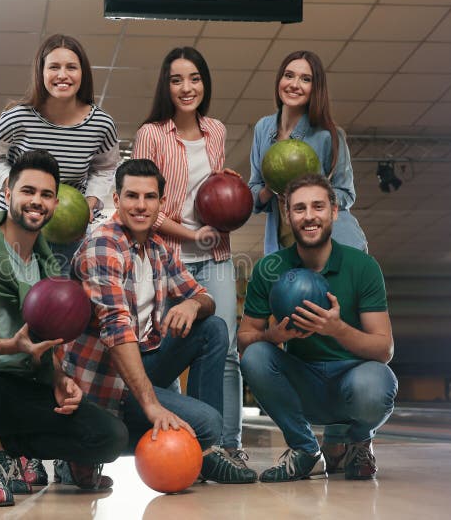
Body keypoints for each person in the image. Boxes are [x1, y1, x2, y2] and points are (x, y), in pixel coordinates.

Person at [0, 150, 127, 507]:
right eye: (28, 191)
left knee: (109, 437)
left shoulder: (47, 263)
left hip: (16, 389)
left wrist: (61, 379)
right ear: (8, 191)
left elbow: (46, 345)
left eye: (46, 195)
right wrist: (9, 346)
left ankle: (12, 451)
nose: (37, 201)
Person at [61, 159, 256, 484]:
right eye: (132, 196)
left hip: (140, 366)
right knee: (207, 424)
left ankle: (208, 456)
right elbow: (116, 330)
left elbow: (204, 297)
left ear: (161, 203)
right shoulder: (103, 246)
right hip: (103, 386)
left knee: (212, 328)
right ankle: (81, 449)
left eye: (149, 197)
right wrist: (151, 405)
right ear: (116, 200)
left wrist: (192, 306)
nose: (140, 205)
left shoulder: (157, 248)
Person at [131, 46, 252, 475]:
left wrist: (228, 182)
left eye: (195, 78)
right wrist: (190, 234)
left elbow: (210, 189)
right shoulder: (151, 134)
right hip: (168, 258)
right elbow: (147, 205)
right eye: (177, 79)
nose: (187, 87)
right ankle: (184, 440)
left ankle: (224, 447)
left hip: (215, 255)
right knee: (166, 348)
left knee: (227, 350)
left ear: (205, 83)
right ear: (166, 86)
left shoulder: (216, 130)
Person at [238, 174, 397, 482]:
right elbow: (245, 339)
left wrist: (336, 329)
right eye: (299, 208)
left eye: (317, 206)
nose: (309, 216)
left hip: (352, 382)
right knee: (255, 355)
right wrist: (274, 336)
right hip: (304, 383)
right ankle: (306, 451)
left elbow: (384, 349)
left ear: (333, 212)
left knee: (376, 383)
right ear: (287, 215)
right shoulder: (269, 270)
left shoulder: (362, 267)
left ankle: (359, 442)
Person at [0, 33, 120, 274]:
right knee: (17, 300)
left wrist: (92, 201)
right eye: (54, 67)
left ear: (82, 73)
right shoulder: (18, 117)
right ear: (41, 73)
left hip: (68, 232)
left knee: (60, 304)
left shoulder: (101, 124)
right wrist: (12, 187)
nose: (62, 75)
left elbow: (105, 166)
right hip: (17, 226)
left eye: (71, 67)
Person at [248, 50, 367, 256]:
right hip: (286, 244)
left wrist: (313, 195)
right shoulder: (263, 128)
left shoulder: (329, 134)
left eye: (306, 79)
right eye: (289, 75)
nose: (294, 84)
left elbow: (347, 194)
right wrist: (271, 188)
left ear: (315, 88)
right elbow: (254, 193)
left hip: (335, 242)